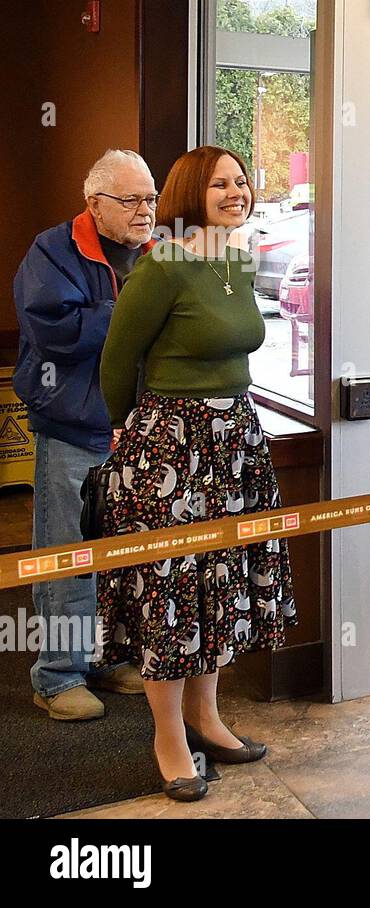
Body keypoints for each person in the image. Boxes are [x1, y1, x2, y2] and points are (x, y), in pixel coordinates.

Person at [97, 145, 296, 802]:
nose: (237, 192)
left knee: (218, 586)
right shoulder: (162, 266)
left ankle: (206, 720)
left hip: (236, 441)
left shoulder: (237, 258)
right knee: (171, 593)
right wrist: (128, 432)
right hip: (170, 451)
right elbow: (116, 361)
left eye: (241, 181)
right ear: (190, 194)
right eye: (220, 184)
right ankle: (169, 740)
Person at [14, 149, 156, 720]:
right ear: (94, 204)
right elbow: (55, 331)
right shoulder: (52, 249)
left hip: (139, 431)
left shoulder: (158, 253)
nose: (145, 210)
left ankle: (106, 657)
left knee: (121, 555)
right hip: (73, 426)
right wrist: (131, 313)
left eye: (150, 198)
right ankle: (57, 676)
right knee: (67, 554)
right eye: (131, 199)